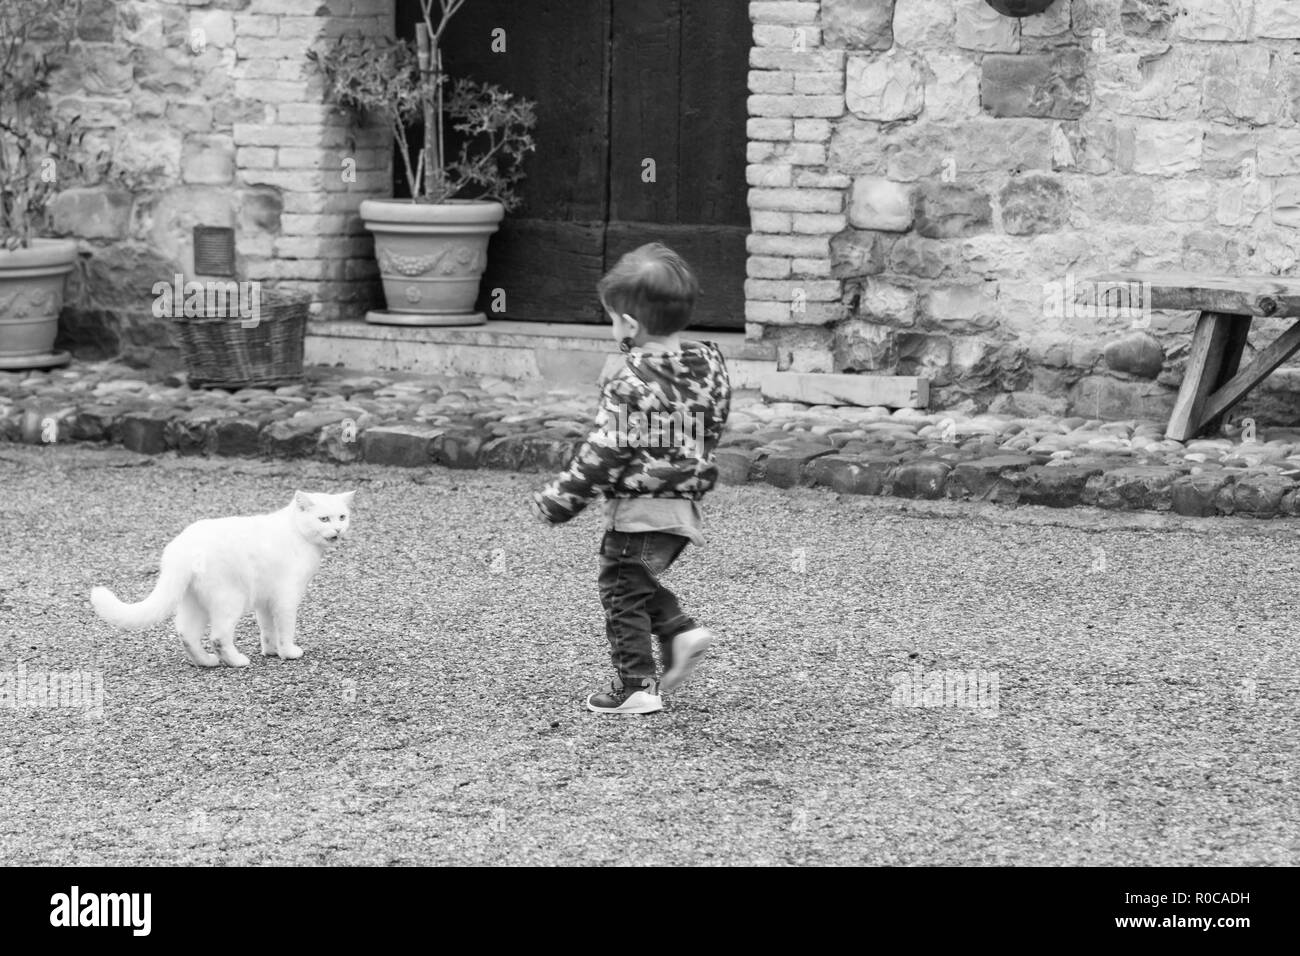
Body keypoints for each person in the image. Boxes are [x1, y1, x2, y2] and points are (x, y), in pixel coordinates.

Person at [532, 243, 732, 714]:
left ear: (629, 324)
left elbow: (605, 451)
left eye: (612, 319)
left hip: (640, 508)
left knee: (620, 591)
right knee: (633, 583)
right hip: (682, 509)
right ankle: (679, 632)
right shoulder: (707, 370)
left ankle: (636, 687)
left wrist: (561, 499)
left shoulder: (630, 384)